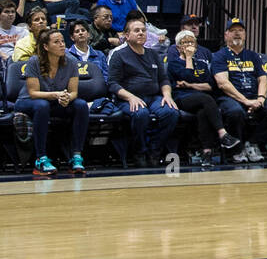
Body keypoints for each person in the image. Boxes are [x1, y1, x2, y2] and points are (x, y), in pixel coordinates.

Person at [15, 27, 90, 176]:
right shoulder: (34, 61)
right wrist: (56, 95)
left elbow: (74, 92)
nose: (62, 44)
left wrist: (67, 98)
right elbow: (33, 93)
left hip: (55, 101)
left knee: (81, 105)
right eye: (57, 42)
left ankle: (75, 156)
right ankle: (41, 158)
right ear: (46, 47)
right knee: (42, 106)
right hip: (28, 101)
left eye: (63, 41)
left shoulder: (72, 61)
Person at [107, 15, 180, 166]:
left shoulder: (153, 54)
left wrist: (167, 95)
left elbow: (163, 79)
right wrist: (130, 97)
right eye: (136, 30)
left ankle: (154, 150)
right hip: (128, 98)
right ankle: (139, 151)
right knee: (141, 114)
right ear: (127, 36)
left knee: (171, 112)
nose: (141, 33)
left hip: (153, 97)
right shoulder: (119, 55)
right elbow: (113, 84)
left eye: (143, 30)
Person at [167, 28, 241, 161]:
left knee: (203, 111)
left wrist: (189, 85)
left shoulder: (201, 64)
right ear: (178, 47)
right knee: (206, 99)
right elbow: (187, 75)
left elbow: (209, 85)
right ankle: (223, 134)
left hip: (201, 98)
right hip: (181, 98)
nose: (189, 45)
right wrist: (188, 59)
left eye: (192, 42)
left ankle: (207, 152)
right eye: (185, 43)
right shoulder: (173, 63)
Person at [211, 19, 267, 163]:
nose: (237, 33)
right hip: (229, 98)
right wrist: (246, 101)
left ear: (245, 35)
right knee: (235, 112)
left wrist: (260, 99)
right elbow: (223, 83)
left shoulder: (253, 56)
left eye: (240, 30)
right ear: (226, 35)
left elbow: (263, 79)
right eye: (233, 30)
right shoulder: (220, 56)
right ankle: (237, 148)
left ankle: (253, 143)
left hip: (254, 97)